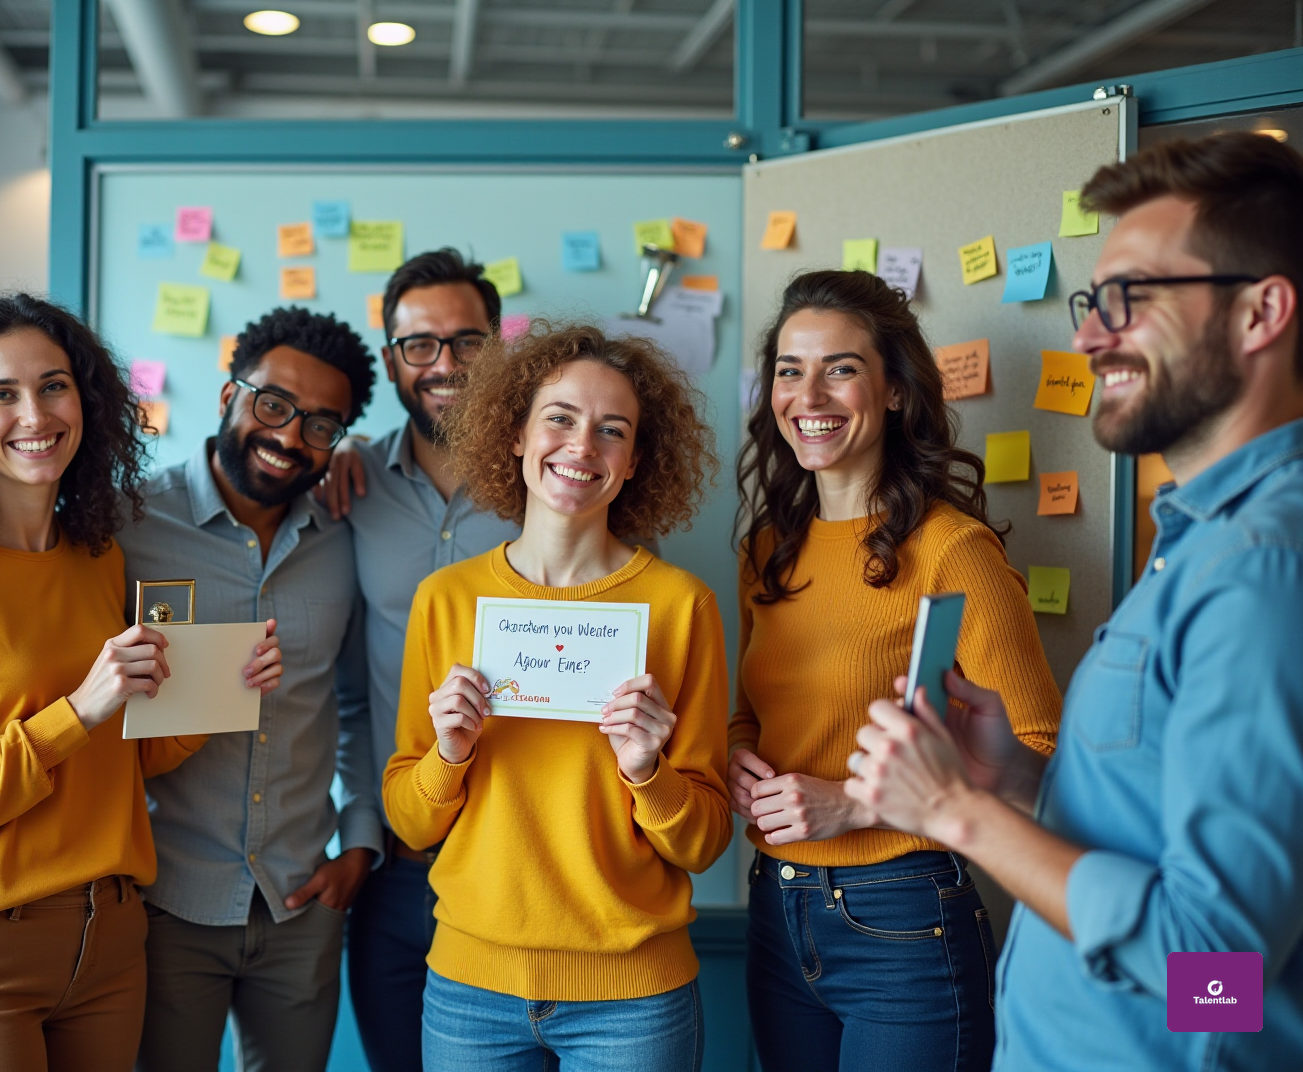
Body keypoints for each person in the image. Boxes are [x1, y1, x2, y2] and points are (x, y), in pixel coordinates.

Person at [845, 133, 1303, 1070]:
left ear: (1261, 312)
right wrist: (1015, 783)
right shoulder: (1195, 543)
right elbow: (1149, 827)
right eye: (1091, 303)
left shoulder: (1262, 570)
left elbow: (1222, 978)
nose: (1091, 337)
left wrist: (956, 814)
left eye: (1132, 297)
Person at [0, 294, 279, 1071]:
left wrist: (223, 690)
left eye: (54, 386)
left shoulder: (97, 557)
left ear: (87, 400)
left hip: (111, 941)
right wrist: (77, 709)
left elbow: (117, 762)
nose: (35, 414)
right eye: (1, 394)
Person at [730, 269, 1062, 1071]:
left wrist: (852, 805)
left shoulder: (953, 550)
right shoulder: (766, 551)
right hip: (775, 908)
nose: (809, 394)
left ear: (896, 392)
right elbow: (753, 712)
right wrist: (737, 756)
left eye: (840, 368)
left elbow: (1041, 752)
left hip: (903, 914)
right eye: (790, 370)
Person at [383, 323, 731, 1072]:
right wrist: (449, 754)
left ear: (635, 461)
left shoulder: (682, 607)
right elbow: (409, 821)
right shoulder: (445, 599)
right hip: (470, 991)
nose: (582, 446)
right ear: (516, 434)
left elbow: (704, 843)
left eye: (613, 430)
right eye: (561, 418)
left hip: (634, 999)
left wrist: (647, 771)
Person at [120, 307, 380, 1072]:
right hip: (166, 901)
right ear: (229, 394)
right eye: (273, 404)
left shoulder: (347, 535)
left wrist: (359, 842)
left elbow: (357, 705)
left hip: (303, 901)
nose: (289, 436)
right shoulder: (127, 527)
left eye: (321, 425)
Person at [318, 249, 523, 1072]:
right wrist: (362, 832)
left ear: (498, 345)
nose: (445, 364)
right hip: (397, 868)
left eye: (467, 341)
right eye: (420, 345)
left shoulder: (552, 474)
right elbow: (344, 692)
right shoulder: (348, 482)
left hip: (521, 865)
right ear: (392, 357)